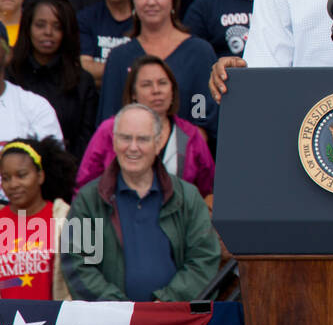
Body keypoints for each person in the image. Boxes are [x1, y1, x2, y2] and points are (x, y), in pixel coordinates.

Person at [61, 103, 219, 301]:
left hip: (174, 323)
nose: (133, 147)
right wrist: (121, 311)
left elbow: (204, 259)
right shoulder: (89, 200)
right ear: (114, 140)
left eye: (142, 139)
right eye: (126, 138)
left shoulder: (188, 198)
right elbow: (77, 264)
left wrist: (166, 302)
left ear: (159, 142)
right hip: (110, 324)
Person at [98, 0, 217, 134]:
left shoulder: (199, 53)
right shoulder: (119, 58)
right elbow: (109, 123)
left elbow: (204, 121)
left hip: (186, 155)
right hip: (131, 154)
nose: (151, 1)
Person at [77, 55, 214, 198]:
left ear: (172, 90)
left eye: (162, 83)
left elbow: (209, 193)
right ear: (133, 94)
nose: (156, 90)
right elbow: (84, 188)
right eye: (146, 84)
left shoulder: (191, 135)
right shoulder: (109, 130)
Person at [6, 0, 96, 156]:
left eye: (57, 27)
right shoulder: (9, 75)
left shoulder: (82, 81)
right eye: (40, 25)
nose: (48, 32)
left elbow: (85, 142)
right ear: (28, 28)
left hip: (66, 173)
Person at [0, 136, 74, 300]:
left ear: (40, 176)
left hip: (54, 323)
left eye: (21, 175)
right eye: (6, 178)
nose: (13, 184)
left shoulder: (64, 218)